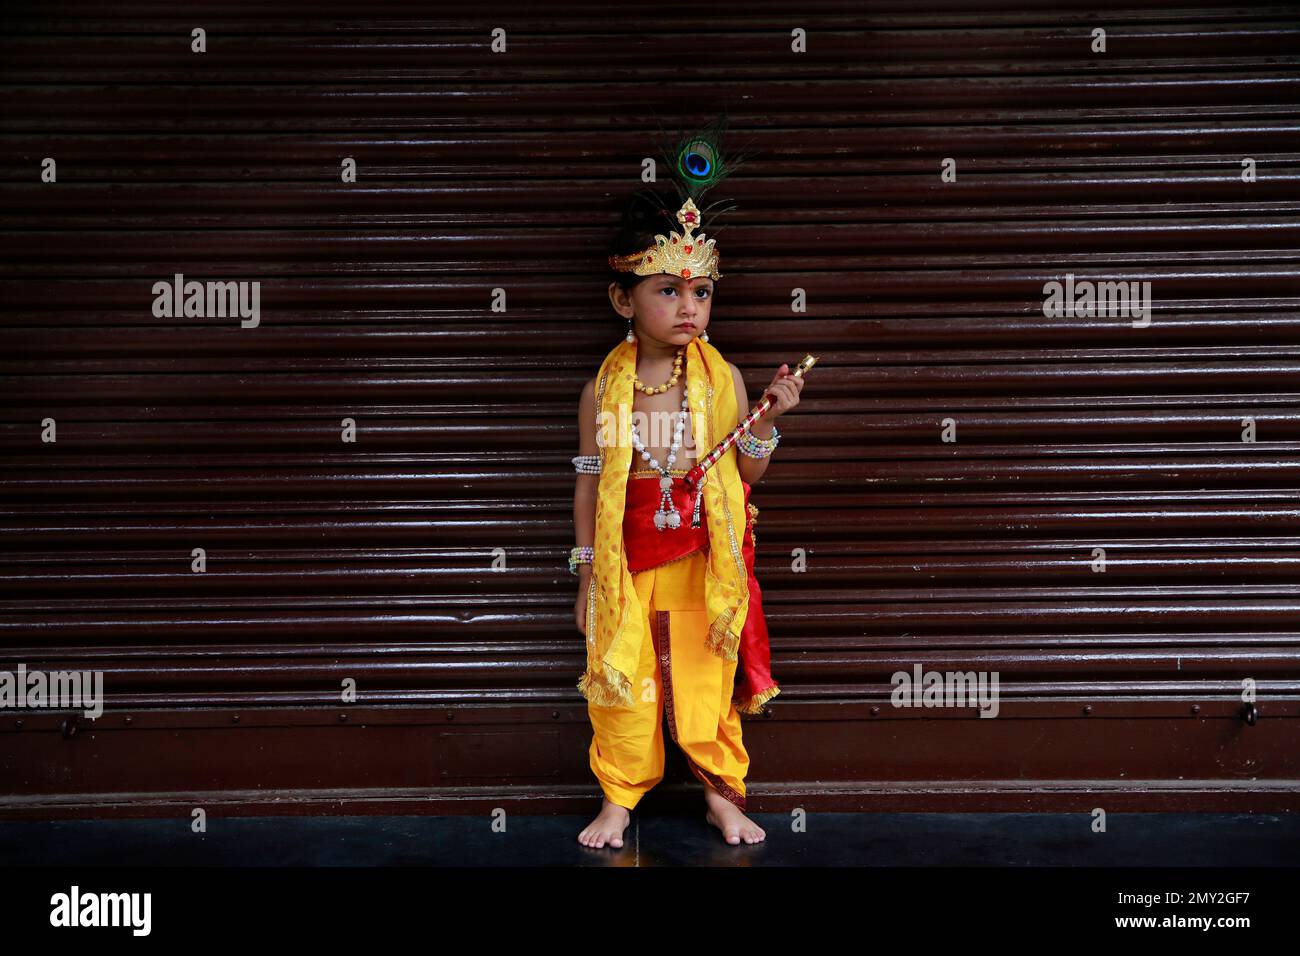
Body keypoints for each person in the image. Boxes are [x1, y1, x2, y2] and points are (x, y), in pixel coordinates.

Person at [568, 131, 804, 848]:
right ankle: (619, 797)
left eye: (700, 291)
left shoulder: (722, 379)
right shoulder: (602, 392)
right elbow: (585, 487)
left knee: (708, 674)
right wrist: (584, 576)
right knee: (624, 676)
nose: (689, 307)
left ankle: (718, 793)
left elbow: (745, 472)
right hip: (625, 556)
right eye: (667, 290)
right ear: (622, 299)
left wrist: (769, 421)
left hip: (704, 550)